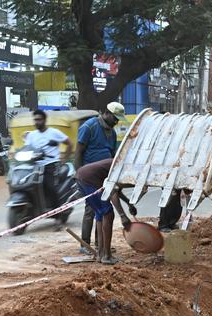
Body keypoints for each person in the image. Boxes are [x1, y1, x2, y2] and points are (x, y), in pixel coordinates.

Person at [75, 102, 123, 250]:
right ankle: (85, 244)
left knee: (103, 210)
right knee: (91, 209)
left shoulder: (112, 133)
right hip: (89, 177)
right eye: (115, 118)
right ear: (106, 113)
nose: (116, 122)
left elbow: (112, 154)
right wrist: (78, 173)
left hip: (104, 176)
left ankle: (100, 243)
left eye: (118, 119)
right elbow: (79, 151)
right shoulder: (89, 127)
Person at [75, 157, 132, 264]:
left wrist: (129, 203)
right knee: (108, 213)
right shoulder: (122, 168)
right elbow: (113, 193)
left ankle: (101, 254)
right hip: (89, 179)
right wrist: (123, 215)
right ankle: (107, 256)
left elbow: (116, 190)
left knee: (100, 214)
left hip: (82, 176)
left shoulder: (119, 163)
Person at [23, 109, 71, 209]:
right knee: (26, 183)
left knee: (50, 187)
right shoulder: (31, 135)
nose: (37, 122)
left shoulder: (54, 132)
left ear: (44, 120)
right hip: (35, 165)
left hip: (50, 164)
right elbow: (26, 148)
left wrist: (64, 159)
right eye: (35, 120)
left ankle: (57, 211)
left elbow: (69, 143)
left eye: (39, 119)